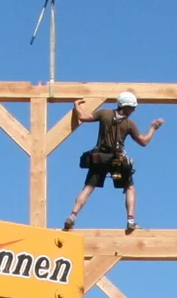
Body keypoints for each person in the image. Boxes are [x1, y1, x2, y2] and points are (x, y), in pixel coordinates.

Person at [60, 92, 163, 234]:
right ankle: (131, 220)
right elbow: (144, 141)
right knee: (130, 188)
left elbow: (83, 117)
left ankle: (72, 216)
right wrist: (153, 128)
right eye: (132, 108)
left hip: (100, 159)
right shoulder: (129, 124)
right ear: (126, 107)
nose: (133, 111)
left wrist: (76, 106)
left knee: (88, 188)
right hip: (117, 162)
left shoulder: (104, 114)